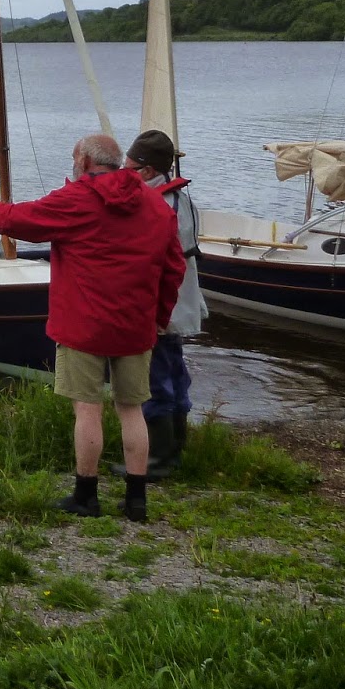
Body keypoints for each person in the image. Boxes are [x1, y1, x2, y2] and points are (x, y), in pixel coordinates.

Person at [0, 133, 185, 522]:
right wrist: (159, 317)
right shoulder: (155, 205)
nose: (72, 165)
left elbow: (13, 220)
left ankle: (86, 496)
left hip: (83, 325)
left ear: (86, 162)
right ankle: (137, 501)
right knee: (131, 409)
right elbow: (174, 267)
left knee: (87, 409)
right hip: (135, 326)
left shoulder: (77, 199)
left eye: (74, 158)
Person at [121, 129, 206, 480]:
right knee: (174, 372)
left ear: (148, 170)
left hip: (162, 303)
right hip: (179, 301)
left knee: (156, 376)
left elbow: (151, 260)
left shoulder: (157, 204)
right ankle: (175, 450)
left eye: (128, 168)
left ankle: (158, 458)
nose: (123, 174)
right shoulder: (181, 199)